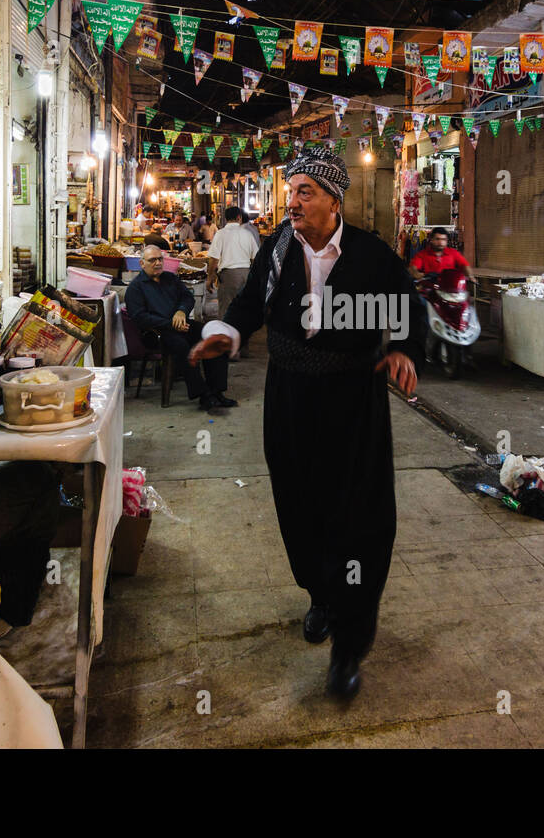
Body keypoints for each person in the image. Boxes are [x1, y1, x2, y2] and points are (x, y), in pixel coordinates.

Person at [191, 147, 425, 699]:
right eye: (290, 191)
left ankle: (348, 645)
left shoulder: (370, 254)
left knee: (360, 518)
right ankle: (321, 593)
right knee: (300, 505)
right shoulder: (276, 250)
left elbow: (407, 308)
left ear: (333, 200)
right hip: (290, 396)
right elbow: (250, 306)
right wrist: (229, 332)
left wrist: (405, 353)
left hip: (353, 401)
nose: (292, 202)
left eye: (305, 193)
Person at [125, 245, 235, 412]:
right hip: (156, 332)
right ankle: (203, 394)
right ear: (142, 263)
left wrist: (181, 311)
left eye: (160, 259)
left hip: (180, 324)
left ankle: (217, 391)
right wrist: (171, 323)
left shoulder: (170, 278)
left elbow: (187, 297)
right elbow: (140, 317)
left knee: (213, 335)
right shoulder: (135, 288)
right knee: (180, 346)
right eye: (152, 260)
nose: (157, 263)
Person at [206, 205, 259, 354]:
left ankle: (230, 351)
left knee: (227, 311)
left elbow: (214, 259)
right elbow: (256, 258)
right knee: (245, 311)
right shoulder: (247, 234)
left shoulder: (221, 234)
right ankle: (243, 348)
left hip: (229, 275)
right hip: (246, 274)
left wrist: (210, 277)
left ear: (225, 218)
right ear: (239, 218)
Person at [408, 226, 475, 284]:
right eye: (437, 239)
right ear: (431, 240)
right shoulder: (422, 255)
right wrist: (419, 275)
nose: (441, 242)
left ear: (447, 241)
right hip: (430, 289)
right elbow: (413, 268)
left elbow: (465, 265)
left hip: (450, 288)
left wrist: (470, 276)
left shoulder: (453, 253)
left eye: (444, 239)